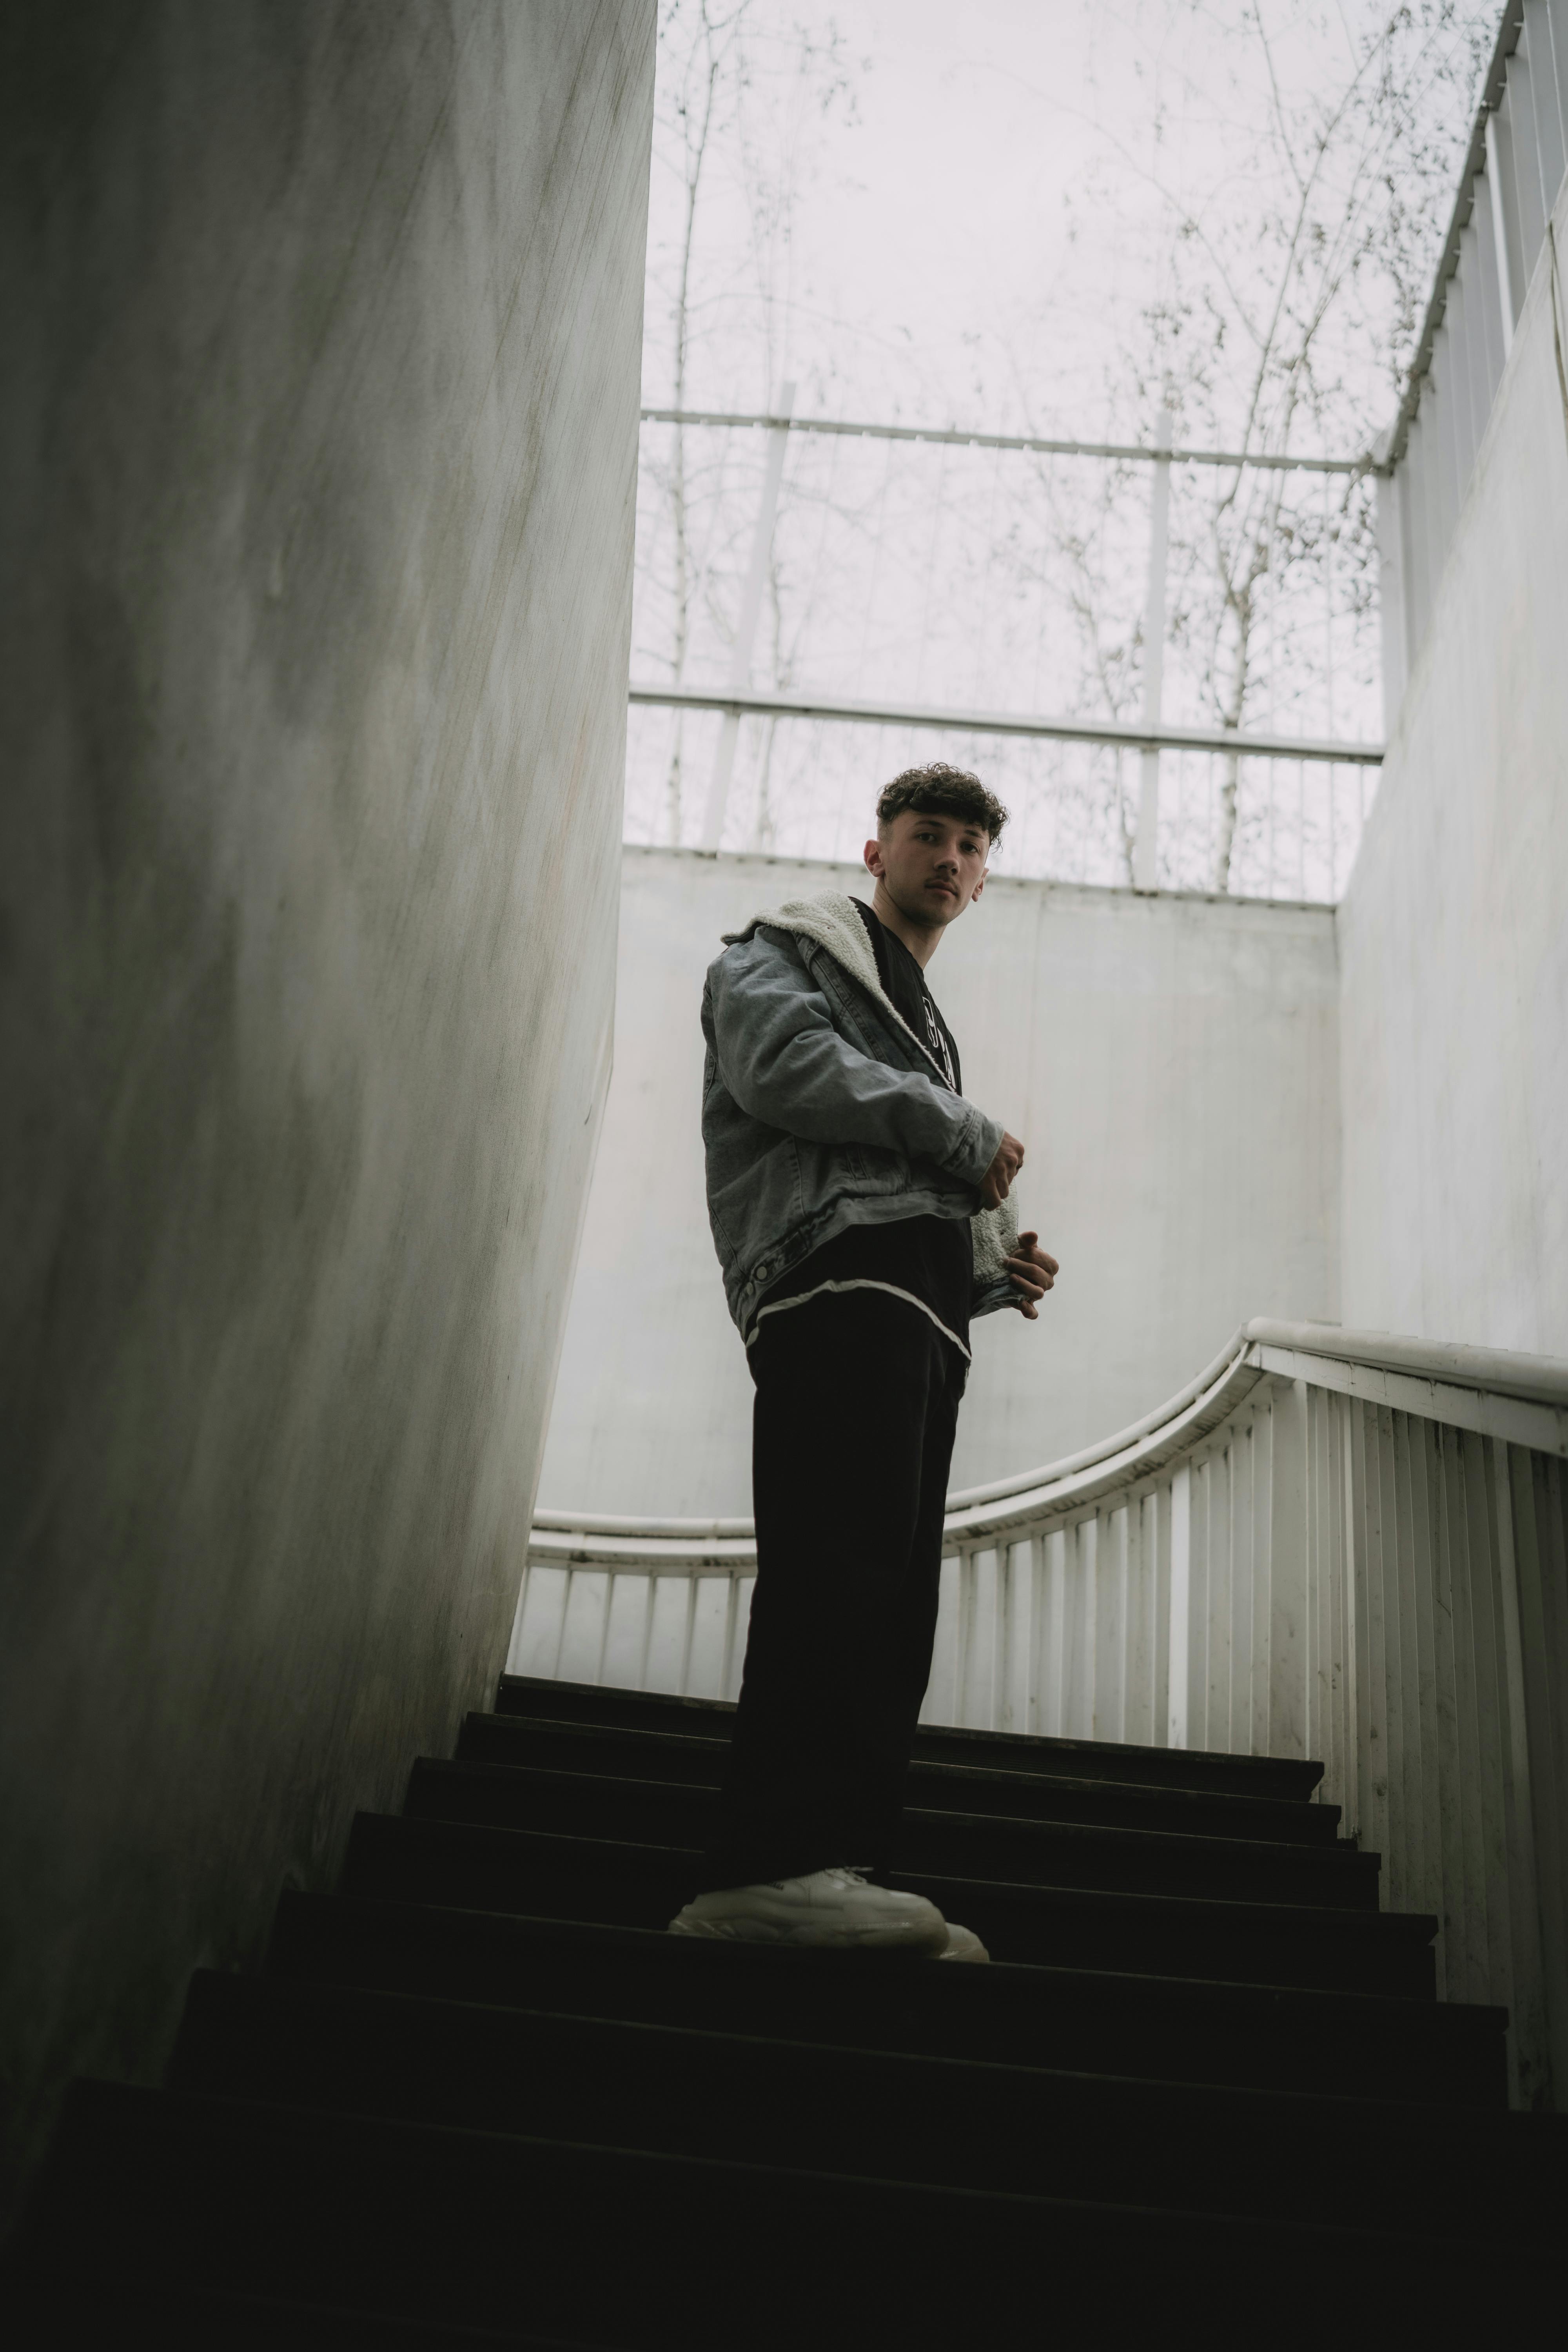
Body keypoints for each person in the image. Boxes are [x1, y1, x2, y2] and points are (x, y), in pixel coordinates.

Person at [668, 762, 1058, 1961]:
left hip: (916, 1315)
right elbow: (784, 1071)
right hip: (836, 1294)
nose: (949, 858)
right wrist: (960, 1130)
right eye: (927, 835)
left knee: (892, 1601)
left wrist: (994, 1263)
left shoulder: (919, 1022)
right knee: (836, 1567)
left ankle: (833, 1869)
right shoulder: (779, 952)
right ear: (875, 850)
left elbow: (890, 1160)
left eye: (970, 847)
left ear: (983, 880)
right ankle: (766, 1867)